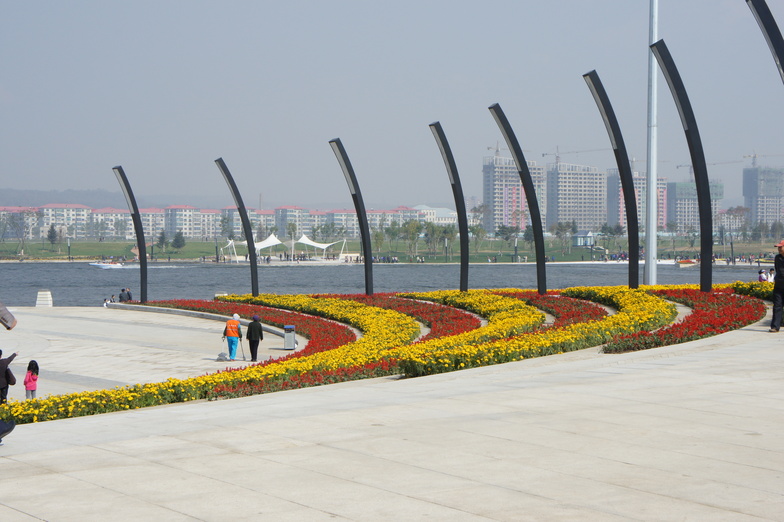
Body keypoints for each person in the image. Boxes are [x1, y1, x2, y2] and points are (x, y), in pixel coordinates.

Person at [770, 240, 784, 332]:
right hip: (779, 285)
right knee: (777, 306)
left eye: (780, 247)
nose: (779, 249)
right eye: (778, 247)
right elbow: (777, 269)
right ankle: (775, 326)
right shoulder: (777, 258)